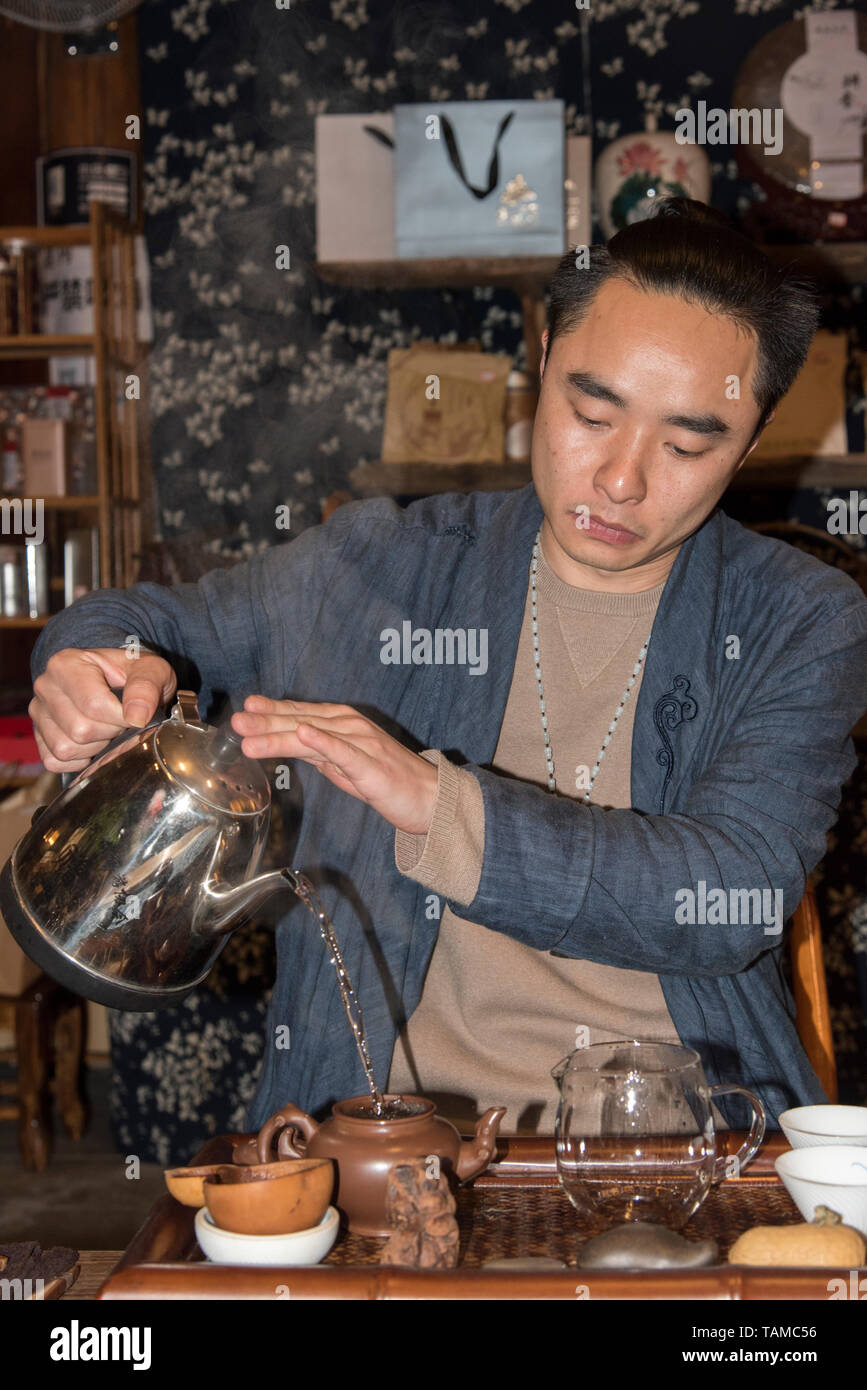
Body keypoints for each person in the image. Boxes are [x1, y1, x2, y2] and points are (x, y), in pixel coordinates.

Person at [28, 199, 867, 1134]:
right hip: (389, 1141)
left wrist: (441, 809)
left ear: (749, 441)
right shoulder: (395, 563)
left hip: (679, 1147)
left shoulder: (799, 618)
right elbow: (146, 623)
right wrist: (90, 661)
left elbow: (732, 895)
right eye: (592, 412)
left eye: (685, 443)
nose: (622, 479)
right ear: (543, 362)